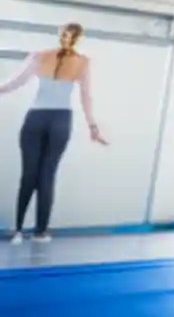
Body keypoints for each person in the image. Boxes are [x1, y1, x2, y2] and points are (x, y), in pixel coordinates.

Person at [1, 23, 108, 243]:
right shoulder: (82, 62)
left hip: (36, 118)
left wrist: (93, 126)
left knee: (29, 175)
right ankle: (40, 232)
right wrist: (92, 126)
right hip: (60, 120)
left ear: (60, 35)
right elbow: (86, 97)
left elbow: (14, 83)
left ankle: (18, 231)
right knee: (47, 175)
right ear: (79, 39)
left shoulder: (39, 56)